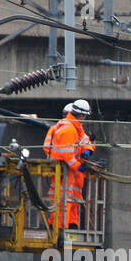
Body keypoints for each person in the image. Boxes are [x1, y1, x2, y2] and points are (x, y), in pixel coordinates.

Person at [43, 99, 96, 232]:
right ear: (82, 115)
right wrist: (78, 166)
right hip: (64, 170)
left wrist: (88, 150)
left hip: (71, 171)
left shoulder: (75, 127)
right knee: (62, 201)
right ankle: (59, 228)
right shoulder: (69, 129)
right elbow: (66, 154)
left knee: (72, 199)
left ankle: (71, 225)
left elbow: (84, 140)